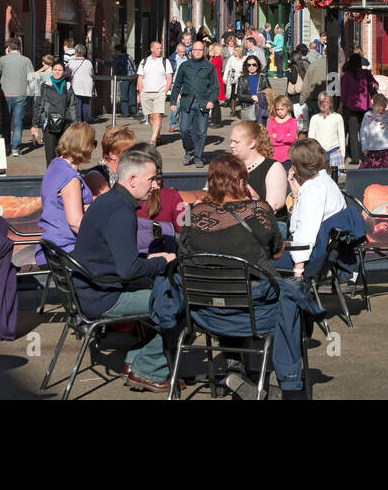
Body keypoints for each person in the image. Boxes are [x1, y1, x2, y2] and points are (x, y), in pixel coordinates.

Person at [181, 155, 315, 399]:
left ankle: (234, 367)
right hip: (255, 315)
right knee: (292, 293)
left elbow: (185, 254)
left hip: (205, 314)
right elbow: (276, 252)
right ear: (242, 181)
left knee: (225, 288)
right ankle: (290, 382)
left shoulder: (192, 213)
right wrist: (254, 203)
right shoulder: (258, 210)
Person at [71, 148, 176, 392]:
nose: (154, 186)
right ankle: (147, 369)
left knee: (164, 289)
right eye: (151, 179)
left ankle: (134, 362)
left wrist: (151, 258)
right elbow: (129, 270)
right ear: (132, 179)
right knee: (177, 300)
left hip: (92, 287)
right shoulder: (121, 210)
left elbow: (122, 262)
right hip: (102, 296)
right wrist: (163, 261)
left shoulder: (109, 200)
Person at [278, 138, 345, 277]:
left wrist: (298, 271)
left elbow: (305, 232)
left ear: (301, 165)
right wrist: (296, 194)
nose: (292, 168)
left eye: (294, 164)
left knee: (257, 260)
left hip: (314, 258)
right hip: (326, 252)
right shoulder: (325, 181)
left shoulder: (313, 189)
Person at [37, 123, 96, 264]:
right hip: (65, 249)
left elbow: (59, 205)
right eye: (93, 143)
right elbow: (75, 223)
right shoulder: (70, 177)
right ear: (85, 145)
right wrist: (101, 237)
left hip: (51, 245)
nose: (94, 148)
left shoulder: (55, 165)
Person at [229, 120, 289, 228]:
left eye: (236, 142)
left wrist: (257, 202)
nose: (231, 145)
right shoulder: (228, 167)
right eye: (231, 141)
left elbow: (273, 207)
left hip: (265, 230)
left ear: (252, 143)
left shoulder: (273, 168)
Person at [170, 38, 219, 167]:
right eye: (195, 50)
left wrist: (211, 101)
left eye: (200, 50)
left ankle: (198, 157)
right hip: (187, 102)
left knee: (201, 133)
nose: (197, 52)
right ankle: (189, 151)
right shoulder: (185, 66)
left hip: (203, 103)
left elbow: (215, 87)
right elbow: (177, 85)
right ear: (191, 51)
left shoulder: (209, 67)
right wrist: (173, 101)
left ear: (204, 51)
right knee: (184, 130)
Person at [31, 61, 80, 166]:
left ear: (63, 72)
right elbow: (39, 105)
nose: (57, 72)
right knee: (50, 155)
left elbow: (72, 106)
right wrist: (34, 124)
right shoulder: (44, 85)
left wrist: (75, 123)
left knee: (65, 154)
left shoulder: (67, 86)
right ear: (52, 70)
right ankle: (51, 177)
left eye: (60, 70)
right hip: (49, 124)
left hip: (65, 124)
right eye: (55, 70)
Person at [0, 39, 35, 154]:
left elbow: (0, 71)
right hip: (20, 93)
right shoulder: (26, 60)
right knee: (18, 122)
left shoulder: (2, 59)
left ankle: (6, 146)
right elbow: (32, 77)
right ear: (19, 48)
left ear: (8, 48)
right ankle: (15, 149)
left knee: (6, 121)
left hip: (6, 93)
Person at [340, 54, 377, 166]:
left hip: (351, 106)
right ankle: (365, 155)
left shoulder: (347, 75)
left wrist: (340, 107)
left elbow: (344, 93)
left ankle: (355, 158)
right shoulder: (366, 73)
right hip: (364, 106)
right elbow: (376, 84)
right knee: (364, 133)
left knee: (352, 133)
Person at [136, 41, 172, 146]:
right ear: (152, 49)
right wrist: (140, 93)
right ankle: (158, 135)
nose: (160, 50)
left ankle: (152, 139)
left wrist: (165, 91)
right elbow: (140, 78)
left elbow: (169, 77)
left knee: (157, 115)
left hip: (159, 93)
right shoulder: (144, 61)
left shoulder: (165, 61)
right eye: (157, 48)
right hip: (146, 92)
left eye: (160, 48)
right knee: (151, 117)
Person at [307, 92, 346, 177]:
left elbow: (342, 137)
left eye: (326, 102)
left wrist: (342, 155)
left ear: (331, 103)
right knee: (319, 179)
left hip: (334, 152)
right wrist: (311, 154)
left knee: (336, 180)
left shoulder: (338, 117)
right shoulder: (315, 118)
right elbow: (311, 139)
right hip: (319, 154)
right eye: (320, 102)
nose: (323, 104)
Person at [360, 93, 388, 168]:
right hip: (372, 149)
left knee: (384, 173)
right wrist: (364, 145)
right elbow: (363, 130)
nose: (383, 107)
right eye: (381, 105)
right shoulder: (368, 115)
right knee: (370, 172)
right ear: (375, 105)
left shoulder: (387, 114)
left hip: (385, 149)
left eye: (384, 105)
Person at [266, 96, 299, 168]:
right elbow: (269, 140)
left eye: (282, 109)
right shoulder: (271, 122)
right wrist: (286, 137)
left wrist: (277, 136)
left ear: (288, 107)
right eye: (277, 109)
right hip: (273, 156)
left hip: (287, 157)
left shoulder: (293, 121)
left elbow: (292, 139)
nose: (279, 112)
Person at [235, 55, 269, 123]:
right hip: (248, 109)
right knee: (249, 131)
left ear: (258, 65)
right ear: (246, 66)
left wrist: (260, 98)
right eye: (249, 65)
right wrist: (251, 97)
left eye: (254, 65)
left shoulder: (263, 77)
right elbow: (240, 95)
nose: (251, 67)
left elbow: (269, 92)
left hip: (261, 107)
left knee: (261, 131)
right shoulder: (242, 78)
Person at [167, 35, 190, 133]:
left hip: (185, 84)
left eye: (184, 51)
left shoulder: (187, 59)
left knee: (183, 105)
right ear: (177, 51)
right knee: (176, 105)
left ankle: (181, 125)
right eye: (180, 52)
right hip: (175, 84)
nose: (182, 53)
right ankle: (172, 124)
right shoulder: (172, 59)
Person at [67, 44, 95, 124]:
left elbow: (67, 73)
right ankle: (85, 121)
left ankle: (78, 121)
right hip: (87, 85)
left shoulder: (71, 62)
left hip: (77, 84)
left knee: (77, 103)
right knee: (86, 103)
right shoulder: (88, 62)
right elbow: (91, 73)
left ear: (75, 52)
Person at [109, 44, 137, 120]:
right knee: (131, 95)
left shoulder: (121, 58)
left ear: (119, 51)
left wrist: (102, 62)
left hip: (124, 78)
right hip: (132, 78)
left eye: (115, 51)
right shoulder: (129, 56)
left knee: (124, 96)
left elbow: (111, 63)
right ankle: (134, 111)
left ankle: (125, 113)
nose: (115, 53)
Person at [223, 44, 245, 119]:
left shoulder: (245, 58)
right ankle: (233, 110)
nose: (233, 53)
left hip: (241, 79)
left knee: (241, 95)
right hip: (232, 79)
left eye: (235, 51)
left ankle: (244, 110)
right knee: (232, 96)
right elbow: (227, 68)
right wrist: (225, 78)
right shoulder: (232, 58)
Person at [208, 43, 225, 127]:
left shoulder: (216, 59)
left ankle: (217, 121)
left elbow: (209, 67)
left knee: (216, 103)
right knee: (215, 102)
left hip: (216, 81)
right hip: (215, 80)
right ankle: (214, 120)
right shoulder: (216, 58)